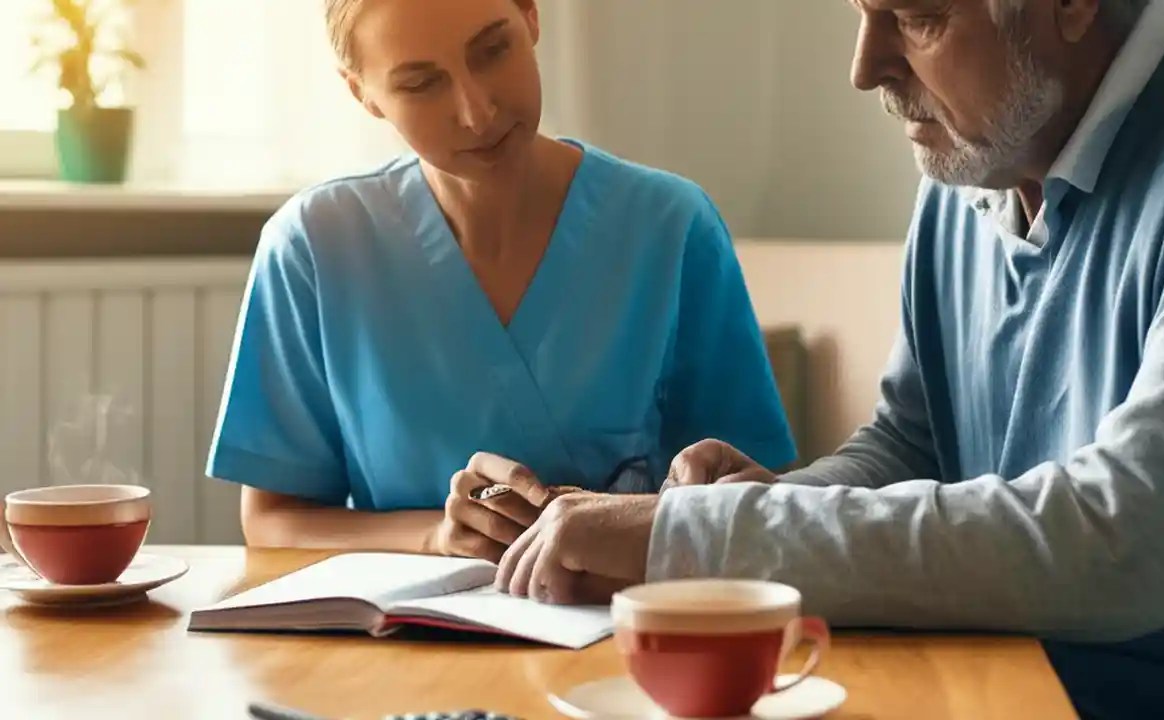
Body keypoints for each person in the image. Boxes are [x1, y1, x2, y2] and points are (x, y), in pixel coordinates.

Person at [493, 0, 1164, 716]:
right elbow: (915, 445)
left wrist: (702, 535)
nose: (865, 66)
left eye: (919, 16)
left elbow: (1133, 538)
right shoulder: (980, 149)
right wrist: (772, 507)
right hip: (980, 690)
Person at [205, 0, 796, 565]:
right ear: (363, 93)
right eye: (421, 83)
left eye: (492, 51)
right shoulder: (313, 245)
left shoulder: (671, 225)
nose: (477, 111)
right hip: (405, 643)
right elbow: (272, 520)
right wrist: (437, 536)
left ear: (532, 16)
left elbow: (750, 492)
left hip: (628, 632)